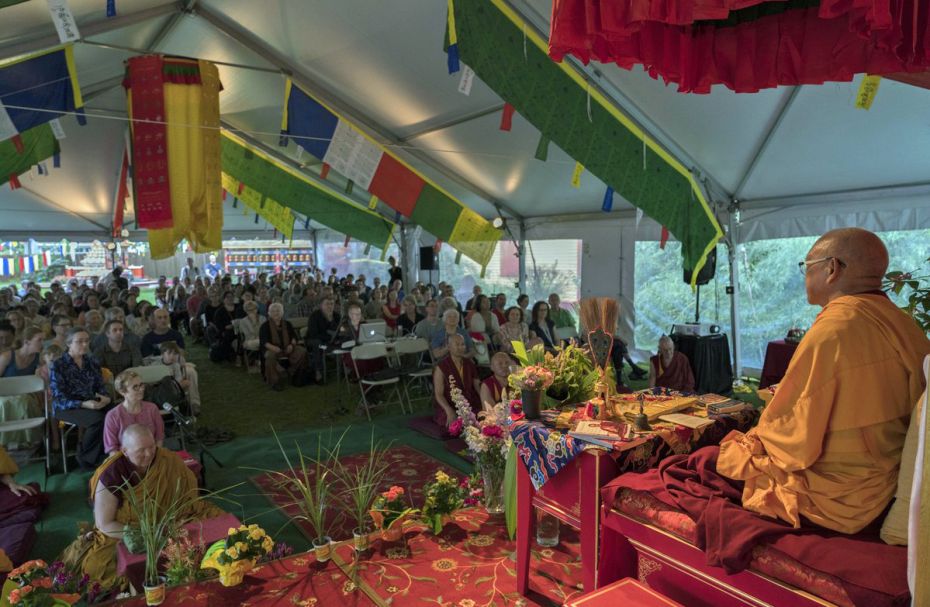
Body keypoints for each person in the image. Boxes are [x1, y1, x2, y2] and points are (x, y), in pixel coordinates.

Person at [717, 227, 930, 534]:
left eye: (807, 268)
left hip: (843, 494)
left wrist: (752, 441)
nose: (806, 277)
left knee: (712, 460)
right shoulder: (904, 324)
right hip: (886, 476)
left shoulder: (835, 329)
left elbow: (792, 440)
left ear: (831, 269)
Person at [60, 425, 224, 590]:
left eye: (151, 447)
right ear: (125, 451)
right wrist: (143, 535)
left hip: (169, 517)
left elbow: (188, 495)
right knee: (97, 566)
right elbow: (105, 524)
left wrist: (167, 524)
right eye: (140, 451)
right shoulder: (111, 475)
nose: (148, 454)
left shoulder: (166, 460)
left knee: (217, 525)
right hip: (128, 529)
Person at [50, 328, 113, 470]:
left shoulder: (91, 362)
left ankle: (111, 451)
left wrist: (106, 398)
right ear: (68, 344)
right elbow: (59, 396)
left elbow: (99, 386)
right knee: (97, 419)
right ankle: (86, 457)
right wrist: (83, 404)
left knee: (117, 411)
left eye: (86, 341)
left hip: (91, 402)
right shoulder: (58, 365)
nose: (84, 345)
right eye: (79, 341)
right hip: (66, 406)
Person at [103, 370, 164, 455]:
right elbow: (112, 448)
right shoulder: (112, 416)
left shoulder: (152, 409)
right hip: (125, 460)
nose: (141, 389)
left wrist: (153, 458)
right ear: (122, 392)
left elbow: (159, 438)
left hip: (151, 455)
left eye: (141, 385)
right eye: (135, 387)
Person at [432, 334, 481, 431]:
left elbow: (478, 387)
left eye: (462, 344)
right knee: (453, 423)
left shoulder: (469, 364)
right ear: (449, 347)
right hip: (450, 404)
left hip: (469, 402)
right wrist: (448, 410)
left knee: (482, 416)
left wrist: (486, 403)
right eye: (457, 344)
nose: (460, 347)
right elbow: (438, 394)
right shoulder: (441, 367)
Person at [260, 302, 308, 391]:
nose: (276, 313)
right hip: (273, 349)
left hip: (287, 348)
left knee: (302, 351)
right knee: (269, 356)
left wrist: (291, 345)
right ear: (269, 313)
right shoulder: (265, 326)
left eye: (278, 311)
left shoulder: (287, 324)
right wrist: (274, 348)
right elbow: (264, 342)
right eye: (273, 311)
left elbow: (294, 337)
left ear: (282, 312)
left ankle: (291, 372)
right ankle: (275, 381)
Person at [156, 342, 201, 415]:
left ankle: (191, 405)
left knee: (186, 382)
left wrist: (178, 384)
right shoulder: (156, 365)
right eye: (169, 353)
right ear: (162, 354)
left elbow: (178, 379)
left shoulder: (176, 365)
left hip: (173, 387)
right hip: (161, 390)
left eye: (174, 354)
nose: (172, 356)